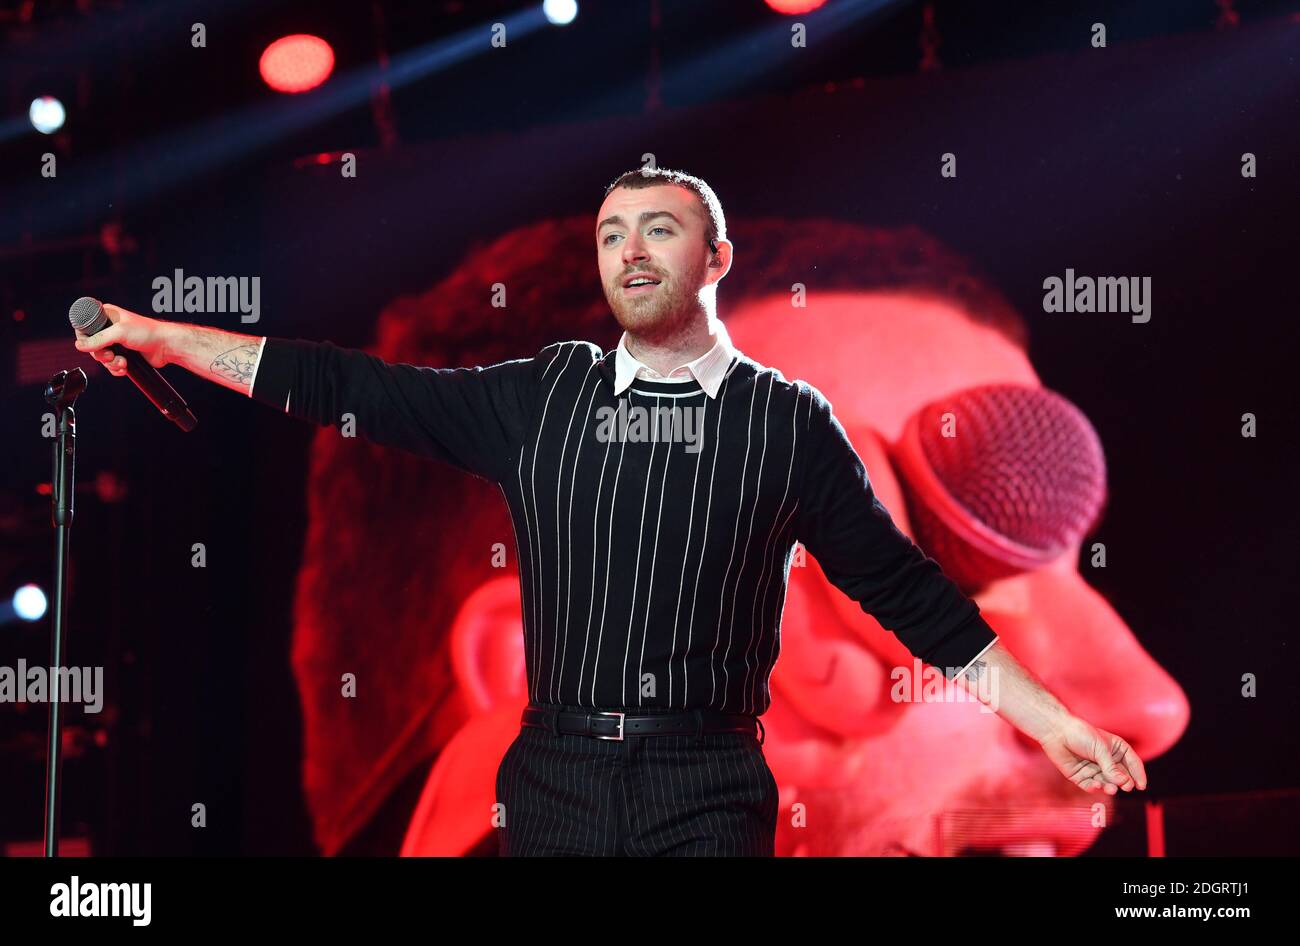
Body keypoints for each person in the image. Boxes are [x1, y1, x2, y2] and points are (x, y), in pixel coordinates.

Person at [75, 167, 1148, 857]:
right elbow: (344, 385)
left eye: (665, 234)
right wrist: (170, 339)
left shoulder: (787, 427)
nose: (637, 255)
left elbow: (914, 599)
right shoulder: (535, 404)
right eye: (616, 236)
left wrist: (1053, 716)